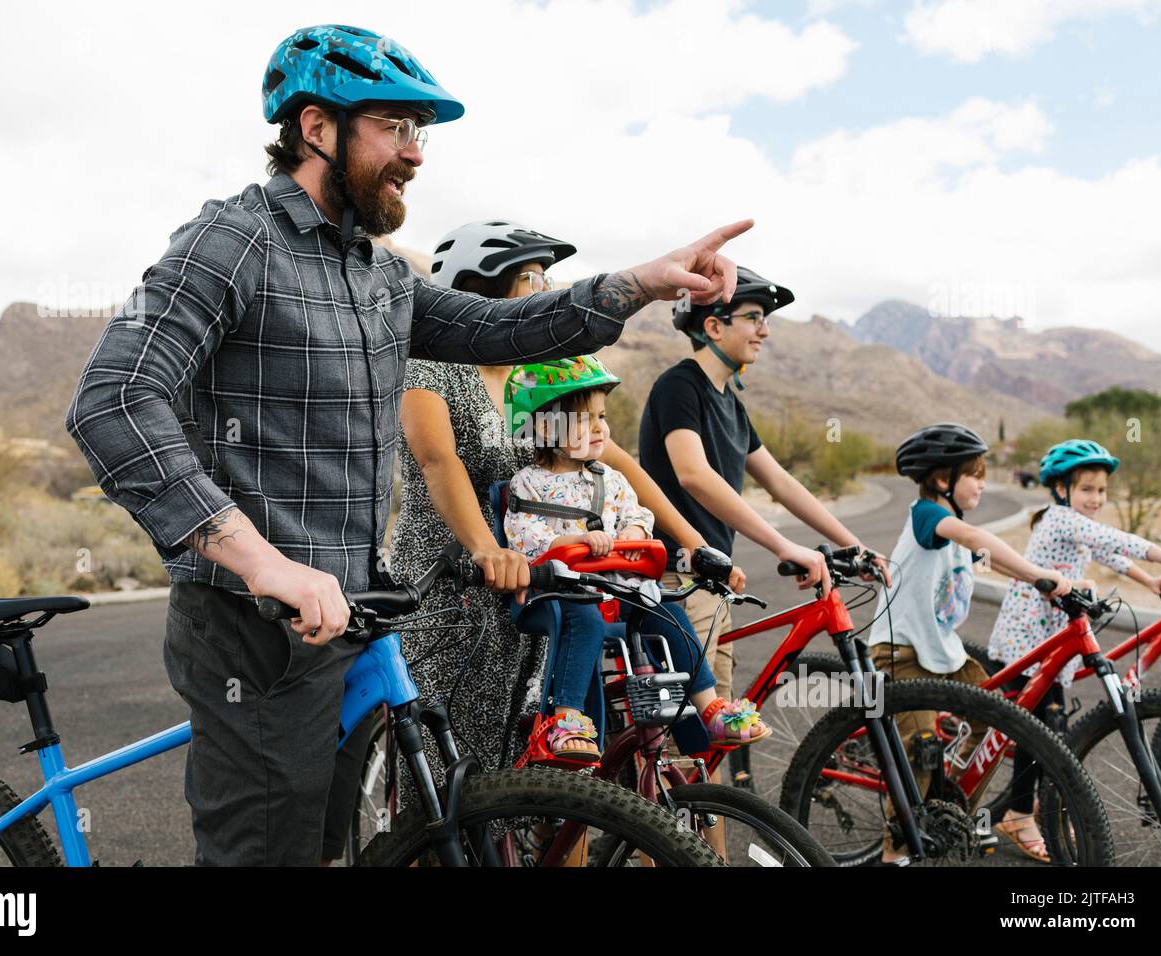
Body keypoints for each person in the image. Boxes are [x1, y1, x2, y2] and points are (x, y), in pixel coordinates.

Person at [65, 23, 754, 865]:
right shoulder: (236, 239)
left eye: (416, 131)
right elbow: (114, 399)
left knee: (345, 843)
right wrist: (257, 559)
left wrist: (639, 283)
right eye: (395, 126)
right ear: (317, 128)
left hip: (352, 609)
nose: (416, 153)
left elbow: (509, 326)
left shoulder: (380, 274)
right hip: (252, 621)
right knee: (266, 853)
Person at [337, 221, 729, 832]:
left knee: (532, 773)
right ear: (478, 287)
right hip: (452, 586)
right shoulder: (428, 368)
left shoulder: (538, 378)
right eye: (532, 278)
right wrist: (487, 548)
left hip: (534, 583)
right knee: (449, 777)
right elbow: (439, 462)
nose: (546, 289)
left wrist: (694, 542)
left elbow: (616, 459)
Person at [638, 266, 888, 707]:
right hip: (678, 582)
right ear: (714, 325)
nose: (765, 331)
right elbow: (692, 474)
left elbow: (781, 483)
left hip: (711, 586)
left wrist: (855, 546)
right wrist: (781, 545)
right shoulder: (678, 386)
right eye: (754, 317)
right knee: (684, 743)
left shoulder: (730, 402)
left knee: (716, 734)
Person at [502, 356, 769, 761]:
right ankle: (565, 719)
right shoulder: (529, 483)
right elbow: (524, 537)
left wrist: (634, 532)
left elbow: (636, 512)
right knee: (583, 617)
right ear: (543, 428)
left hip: (615, 587)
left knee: (663, 607)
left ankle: (708, 704)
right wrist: (574, 540)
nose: (598, 428)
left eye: (602, 416)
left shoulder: (610, 478)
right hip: (560, 592)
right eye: (582, 419)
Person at [866, 423, 1073, 865]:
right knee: (919, 750)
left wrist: (1044, 581)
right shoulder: (928, 514)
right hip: (901, 651)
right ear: (943, 481)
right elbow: (980, 541)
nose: (982, 481)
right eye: (975, 473)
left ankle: (948, 803)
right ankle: (896, 851)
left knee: (996, 719)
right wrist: (1044, 576)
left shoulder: (954, 523)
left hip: (940, 650)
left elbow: (993, 556)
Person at [986, 438, 1161, 861]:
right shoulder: (1059, 519)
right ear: (1061, 490)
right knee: (1034, 730)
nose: (1096, 498)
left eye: (1102, 490)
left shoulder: (1072, 521)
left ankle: (1038, 806)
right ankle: (1018, 815)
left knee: (1051, 726)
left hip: (1055, 638)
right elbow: (1108, 536)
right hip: (1031, 638)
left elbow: (1106, 551)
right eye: (1087, 489)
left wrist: (1150, 580)